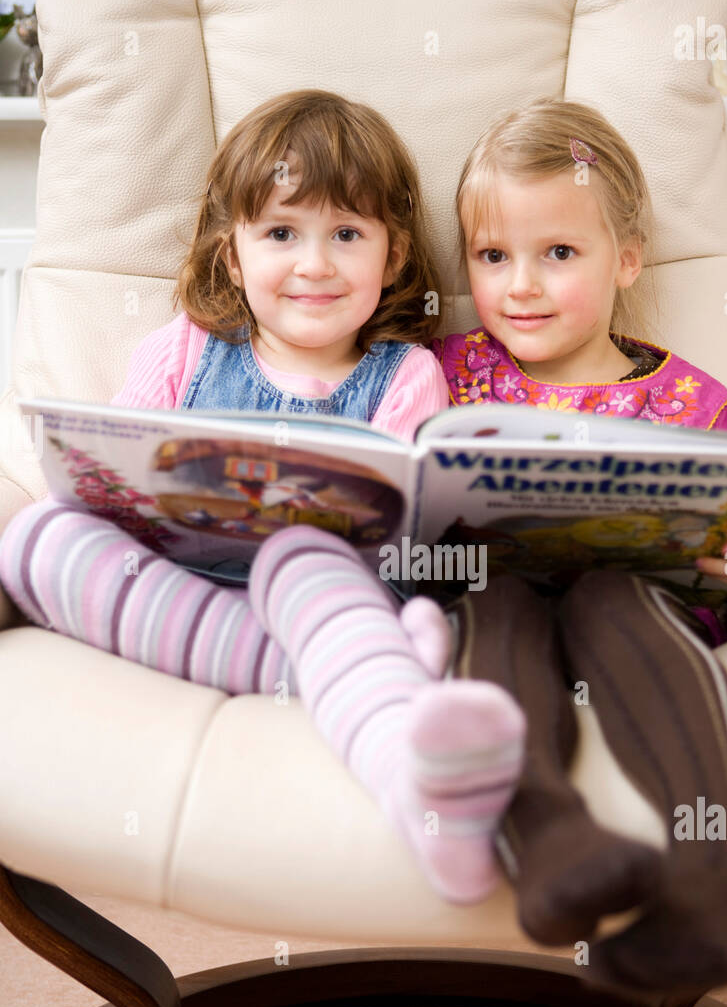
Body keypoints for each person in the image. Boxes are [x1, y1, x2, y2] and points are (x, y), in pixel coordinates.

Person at [0, 89, 528, 908]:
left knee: (300, 550)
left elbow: (414, 532)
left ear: (390, 260)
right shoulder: (186, 347)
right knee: (37, 537)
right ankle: (353, 671)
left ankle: (414, 783)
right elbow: (118, 468)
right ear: (232, 254)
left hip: (328, 591)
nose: (314, 264)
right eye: (282, 233)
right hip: (177, 587)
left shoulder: (406, 376)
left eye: (346, 235)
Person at [426, 96, 727, 994]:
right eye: (492, 256)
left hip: (637, 611)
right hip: (493, 597)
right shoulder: (444, 372)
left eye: (558, 254)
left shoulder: (692, 404)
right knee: (494, 605)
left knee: (607, 596)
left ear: (626, 258)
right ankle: (554, 841)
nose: (521, 284)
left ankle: (719, 884)